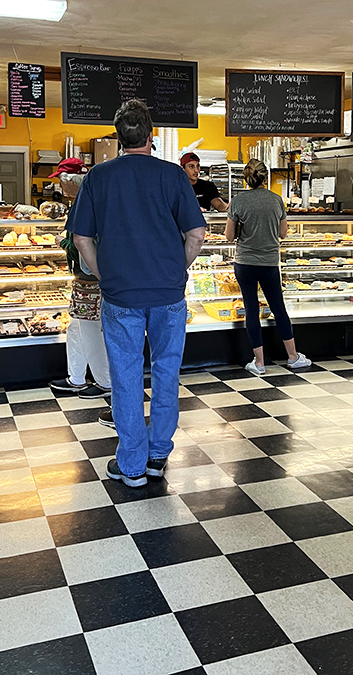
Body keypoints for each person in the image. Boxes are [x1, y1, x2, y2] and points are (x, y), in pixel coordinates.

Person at [69, 99, 206, 487]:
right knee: (166, 371)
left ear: (118, 137)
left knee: (126, 376)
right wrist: (177, 268)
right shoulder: (173, 175)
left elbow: (81, 238)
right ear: (151, 135)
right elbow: (197, 234)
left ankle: (131, 464)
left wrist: (104, 273)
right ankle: (158, 455)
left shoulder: (98, 177)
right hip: (168, 295)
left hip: (120, 296)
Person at [225, 158, 311, 375]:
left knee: (251, 309)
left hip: (245, 262)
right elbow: (283, 233)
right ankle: (293, 357)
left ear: (246, 178)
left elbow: (229, 236)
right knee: (278, 308)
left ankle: (259, 362)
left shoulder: (238, 201)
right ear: (265, 177)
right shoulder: (276, 200)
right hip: (269, 263)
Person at [48, 172, 112, 399]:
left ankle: (105, 382)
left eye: (63, 181)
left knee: (91, 332)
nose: (61, 186)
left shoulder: (89, 206)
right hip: (86, 281)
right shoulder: (92, 203)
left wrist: (62, 242)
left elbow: (81, 246)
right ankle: (76, 377)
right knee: (76, 329)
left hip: (91, 282)